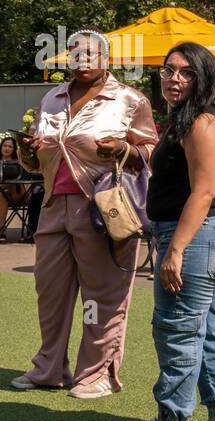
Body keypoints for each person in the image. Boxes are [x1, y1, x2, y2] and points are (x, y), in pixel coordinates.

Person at [13, 29, 157, 399]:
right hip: (52, 207)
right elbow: (37, 159)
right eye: (76, 54)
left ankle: (96, 373)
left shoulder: (128, 99)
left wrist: (124, 148)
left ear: (107, 59)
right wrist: (29, 150)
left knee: (100, 296)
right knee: (51, 292)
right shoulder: (52, 97)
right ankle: (49, 368)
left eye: (91, 54)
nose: (83, 61)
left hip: (103, 208)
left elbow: (153, 149)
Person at [129, 43, 215, 421]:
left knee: (178, 332)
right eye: (168, 70)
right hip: (205, 238)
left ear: (203, 77)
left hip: (194, 237)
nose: (173, 78)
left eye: (185, 72)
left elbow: (202, 192)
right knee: (211, 332)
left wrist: (175, 249)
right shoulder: (189, 119)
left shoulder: (202, 121)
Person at [0, 136, 38, 242]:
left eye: (10, 146)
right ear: (1, 147)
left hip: (18, 194)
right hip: (1, 197)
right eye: (5, 146)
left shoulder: (20, 163)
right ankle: (2, 231)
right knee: (1, 194)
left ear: (14, 150)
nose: (7, 148)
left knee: (10, 177)